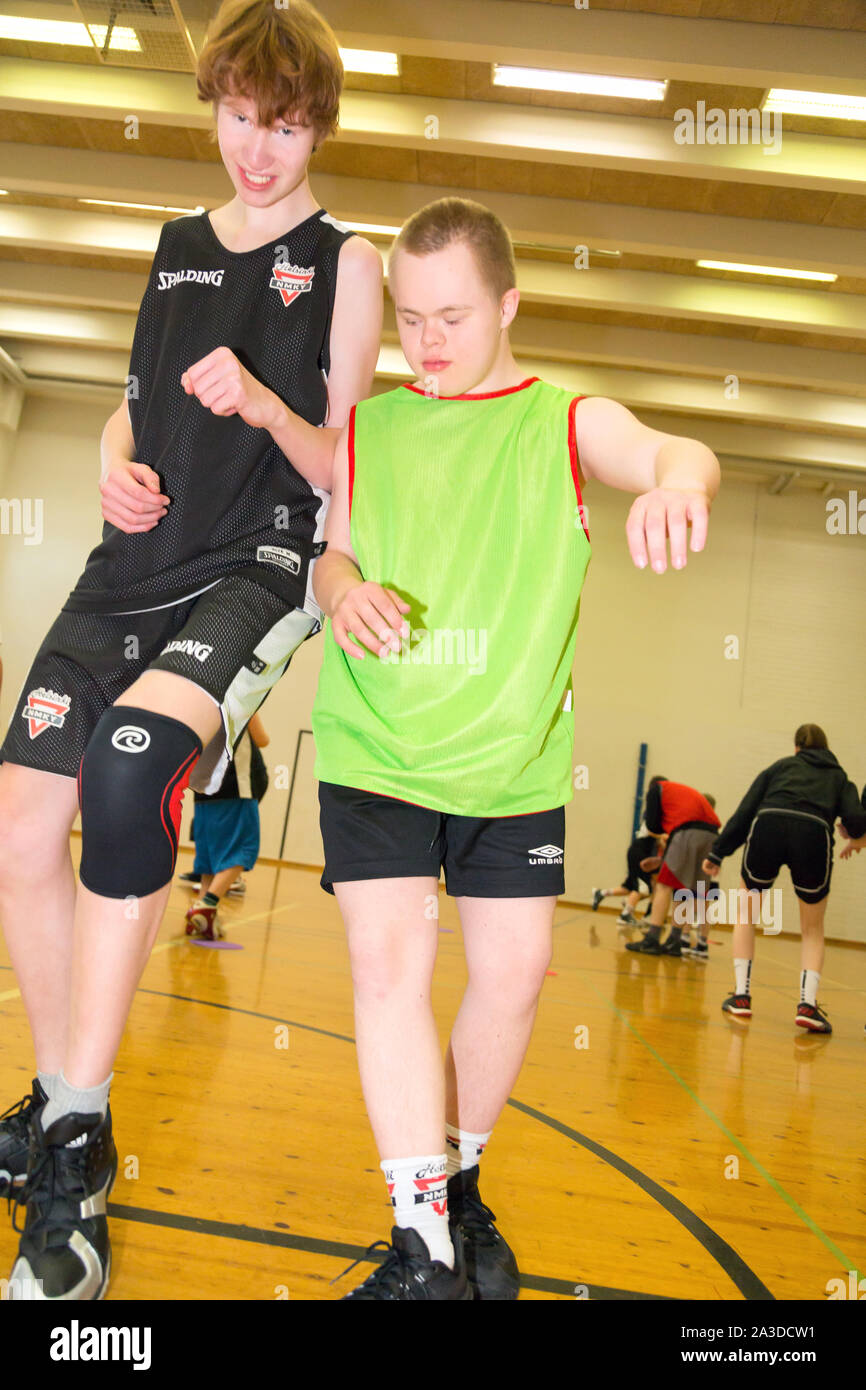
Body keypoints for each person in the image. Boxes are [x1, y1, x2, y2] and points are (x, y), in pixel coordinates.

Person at [0, 0, 382, 1300]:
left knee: (125, 771)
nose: (255, 150)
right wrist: (109, 472)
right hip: (133, 565)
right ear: (213, 104)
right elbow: (125, 413)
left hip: (252, 566)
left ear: (315, 123)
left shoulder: (346, 255)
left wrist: (266, 401)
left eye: (280, 126)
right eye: (236, 118)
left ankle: (74, 1145)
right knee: (14, 820)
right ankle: (63, 1102)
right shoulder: (170, 244)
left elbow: (343, 465)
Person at [310, 196, 720, 1299]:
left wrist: (679, 485)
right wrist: (340, 592)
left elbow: (672, 448)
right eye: (409, 319)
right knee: (389, 968)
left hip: (512, 761)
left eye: (451, 316)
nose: (426, 342)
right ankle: (421, 1247)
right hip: (376, 747)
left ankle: (457, 1183)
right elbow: (332, 555)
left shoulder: (563, 420)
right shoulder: (371, 426)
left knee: (515, 976)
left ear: (507, 306)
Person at [701, 725, 866, 1034]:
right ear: (826, 749)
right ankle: (807, 1005)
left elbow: (746, 810)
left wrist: (717, 852)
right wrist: (853, 833)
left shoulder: (780, 767)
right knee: (813, 930)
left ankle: (740, 997)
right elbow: (856, 820)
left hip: (769, 826)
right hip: (813, 834)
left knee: (746, 916)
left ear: (796, 749)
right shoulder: (839, 776)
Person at [185, 711, 270, 939]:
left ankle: (203, 912)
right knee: (244, 850)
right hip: (236, 786)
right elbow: (262, 739)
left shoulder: (203, 699)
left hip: (203, 788)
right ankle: (208, 903)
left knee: (210, 858)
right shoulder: (241, 698)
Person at [625, 778, 720, 956]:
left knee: (663, 885)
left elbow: (653, 825)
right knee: (685, 889)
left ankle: (652, 938)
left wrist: (662, 845)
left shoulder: (656, 790)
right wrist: (662, 861)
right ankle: (674, 941)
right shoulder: (680, 792)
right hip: (712, 835)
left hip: (687, 833)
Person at [592, 776, 667, 925]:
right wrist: (663, 836)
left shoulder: (657, 813)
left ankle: (601, 893)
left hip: (639, 851)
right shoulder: (653, 815)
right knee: (643, 887)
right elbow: (652, 832)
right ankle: (626, 914)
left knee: (630, 886)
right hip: (639, 851)